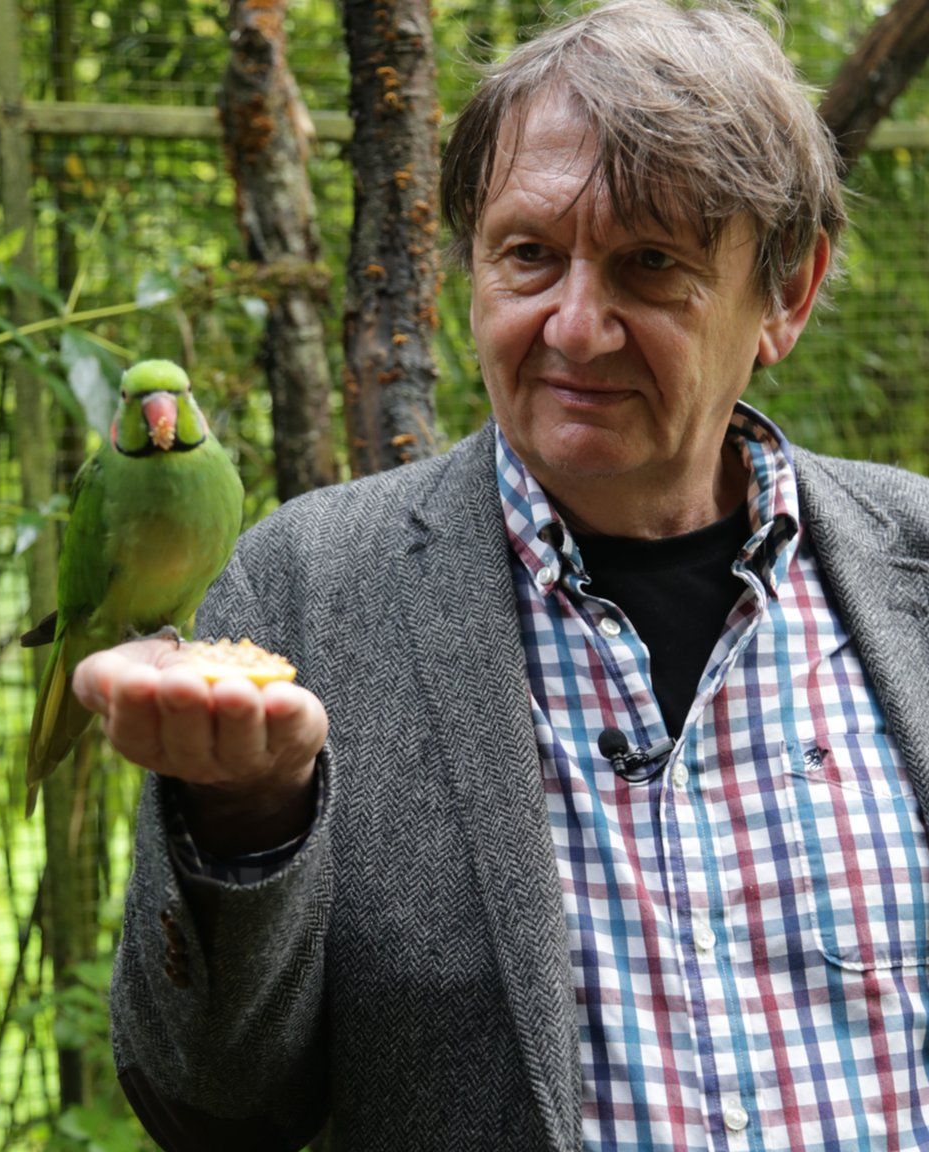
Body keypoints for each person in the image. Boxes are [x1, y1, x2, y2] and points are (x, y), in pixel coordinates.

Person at [74, 1, 929, 1148]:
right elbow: (207, 1106)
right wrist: (245, 824)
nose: (577, 328)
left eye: (649, 265)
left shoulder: (910, 568)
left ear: (785, 293)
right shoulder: (306, 592)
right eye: (529, 255)